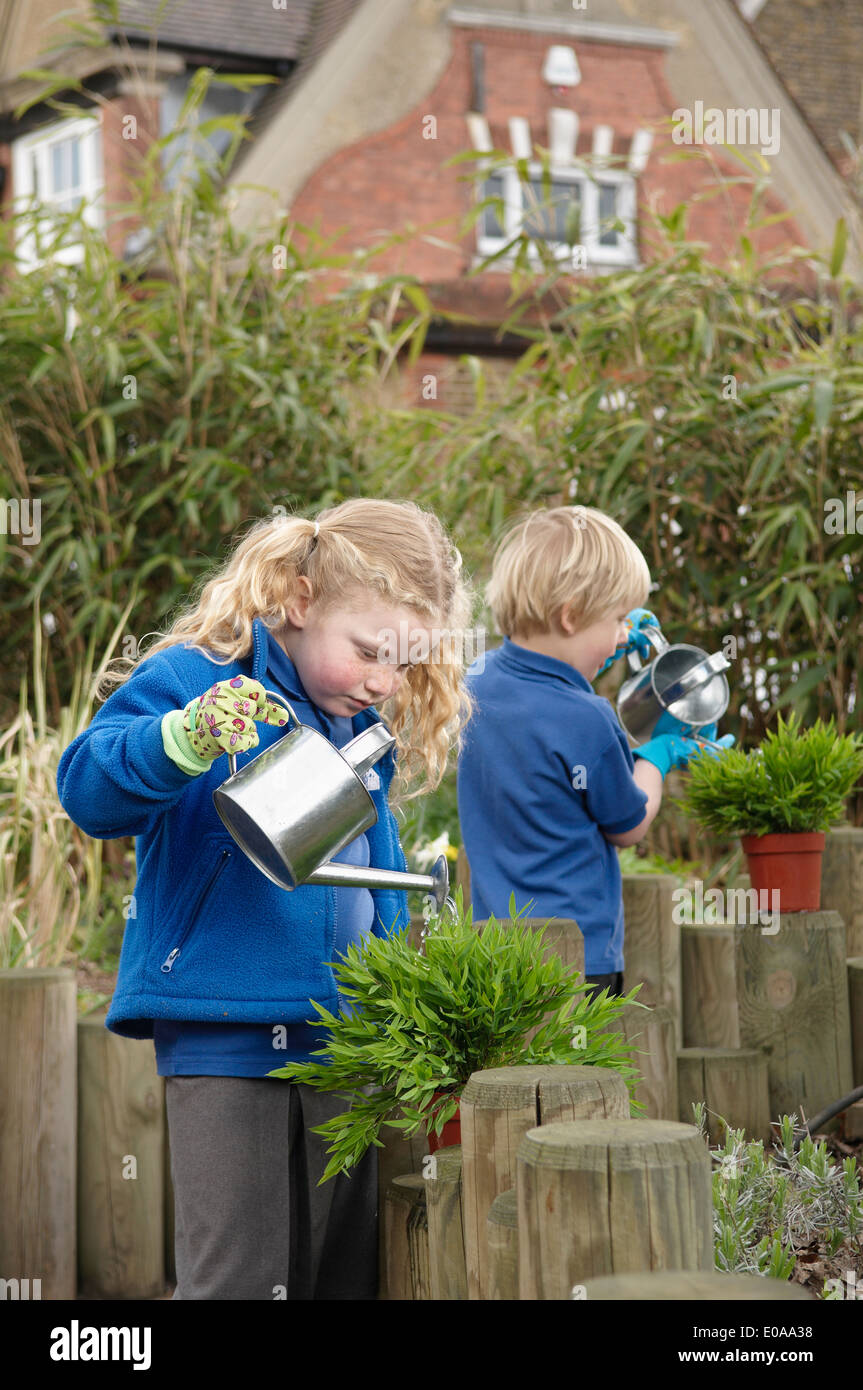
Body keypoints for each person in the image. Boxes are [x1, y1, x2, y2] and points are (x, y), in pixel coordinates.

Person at [56, 498, 473, 1300]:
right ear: (301, 599)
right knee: (236, 1277)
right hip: (224, 1032)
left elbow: (366, 866)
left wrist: (397, 987)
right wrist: (181, 740)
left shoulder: (356, 724)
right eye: (369, 651)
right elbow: (87, 790)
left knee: (337, 1270)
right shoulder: (197, 681)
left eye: (405, 664)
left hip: (341, 1040)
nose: (385, 681)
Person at [456, 505, 732, 1002]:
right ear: (570, 616)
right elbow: (629, 825)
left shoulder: (476, 681)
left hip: (493, 948)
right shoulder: (590, 717)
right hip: (577, 959)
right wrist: (659, 756)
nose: (625, 633)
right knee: (576, 1075)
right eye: (618, 620)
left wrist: (608, 637)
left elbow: (544, 699)